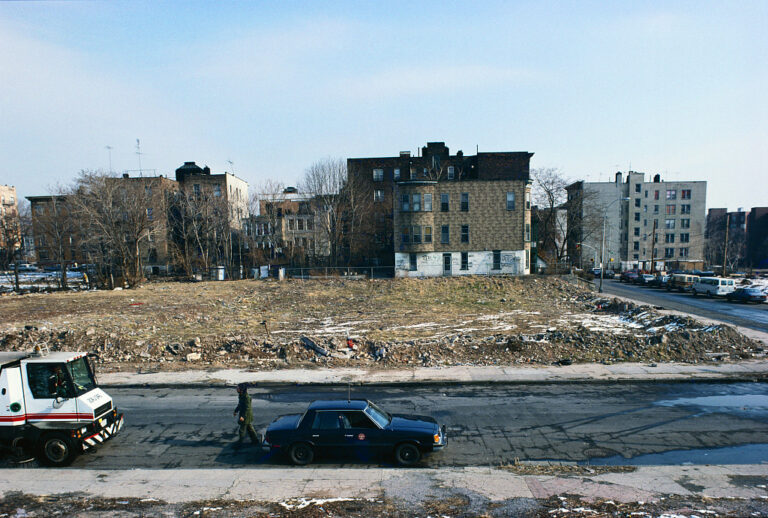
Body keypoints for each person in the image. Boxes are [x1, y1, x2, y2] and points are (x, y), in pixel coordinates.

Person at [233, 383, 261, 448]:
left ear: (241, 389)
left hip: (246, 415)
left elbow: (247, 408)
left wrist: (243, 416)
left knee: (242, 430)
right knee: (250, 428)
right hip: (244, 414)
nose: (236, 389)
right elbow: (240, 405)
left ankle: (240, 443)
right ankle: (255, 440)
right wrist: (236, 411)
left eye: (238, 388)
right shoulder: (241, 395)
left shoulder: (246, 397)